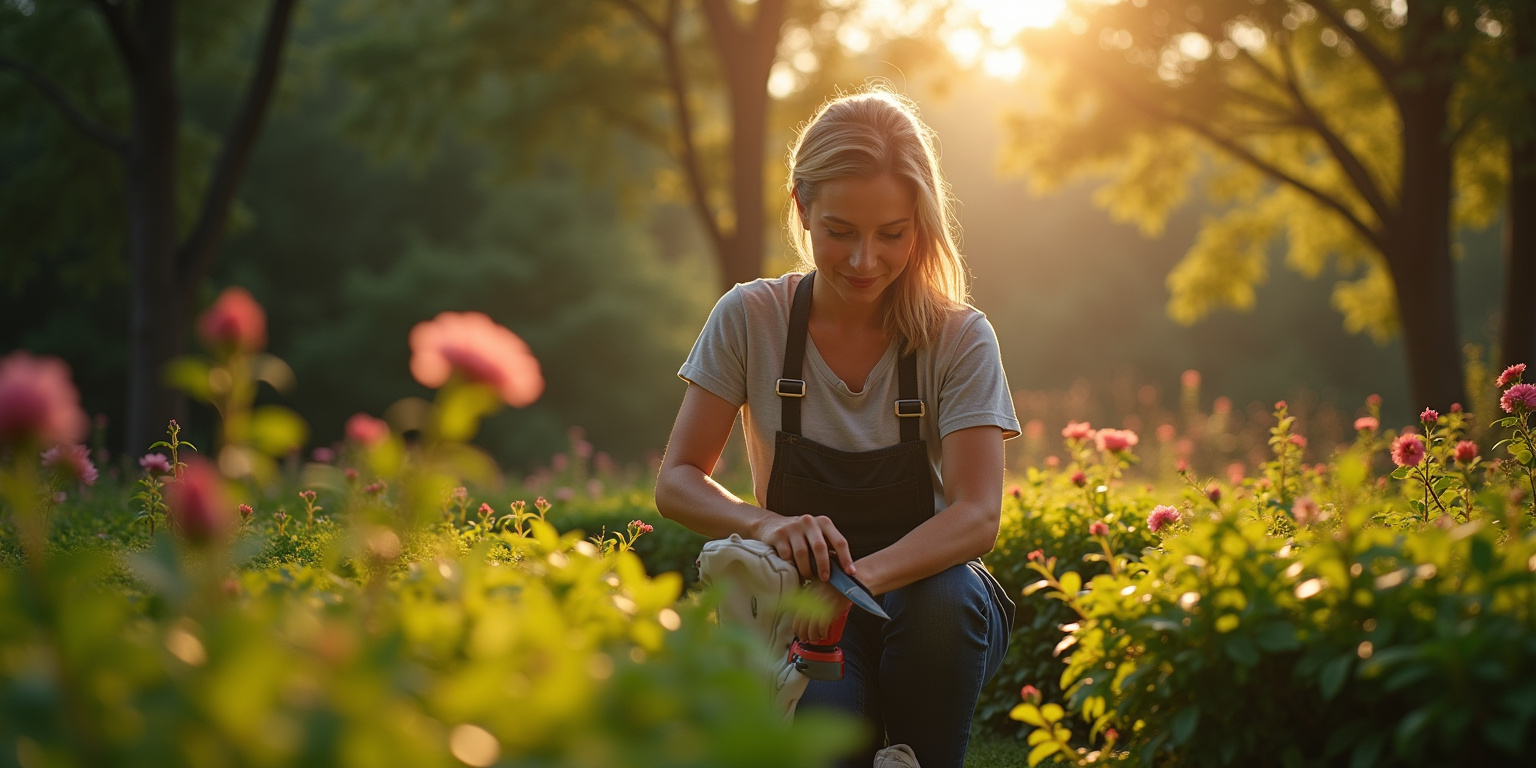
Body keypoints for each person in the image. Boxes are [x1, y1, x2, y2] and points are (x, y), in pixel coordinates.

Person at [655, 88, 1019, 768]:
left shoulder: (960, 336)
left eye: (892, 234)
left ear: (922, 223)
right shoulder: (749, 317)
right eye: (840, 231)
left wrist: (858, 581)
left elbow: (977, 515)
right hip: (806, 611)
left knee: (945, 606)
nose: (863, 261)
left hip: (934, 602)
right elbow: (677, 481)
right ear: (801, 208)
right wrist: (767, 526)